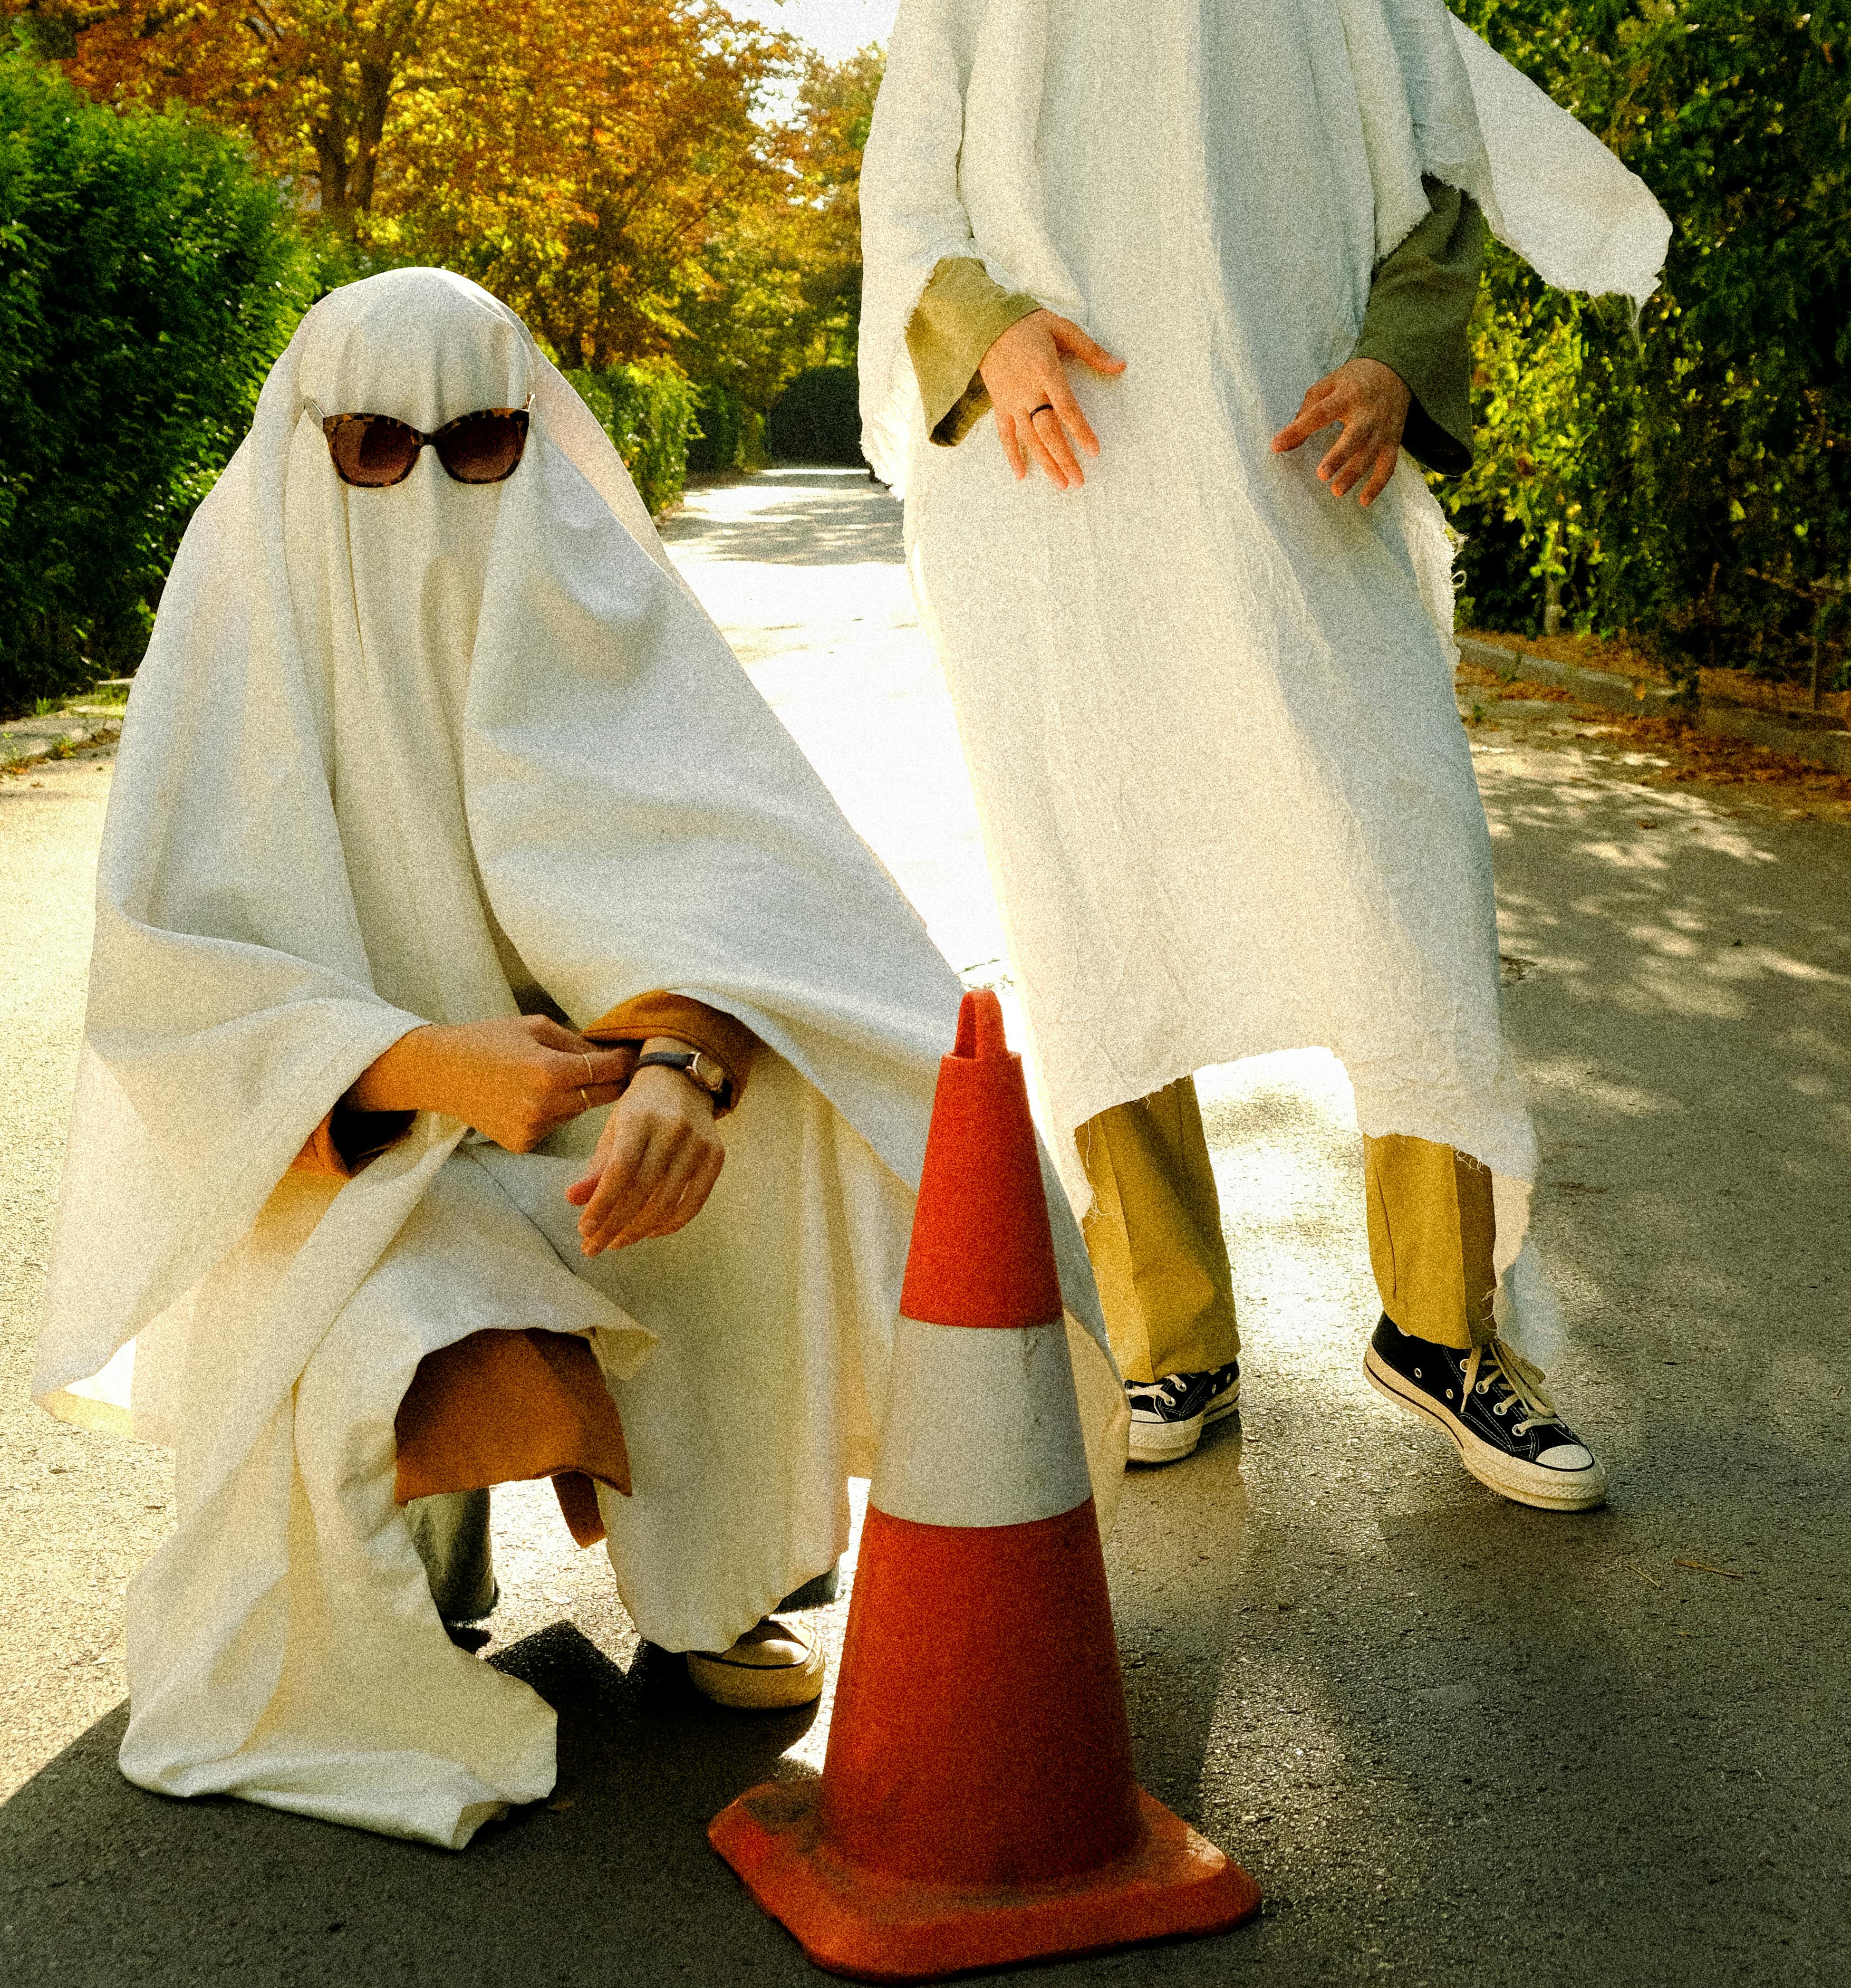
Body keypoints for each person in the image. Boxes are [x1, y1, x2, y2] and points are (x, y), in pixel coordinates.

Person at [34, 266, 1121, 1850]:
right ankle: (424, 1518)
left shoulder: (591, 595)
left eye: (477, 444)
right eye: (375, 452)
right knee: (381, 1393)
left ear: (528, 436)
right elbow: (174, 1007)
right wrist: (422, 1066)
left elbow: (766, 887)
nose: (428, 488)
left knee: (828, 1113)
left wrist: (684, 1059)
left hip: (578, 1128)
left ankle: (716, 1559)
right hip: (348, 1171)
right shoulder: (234, 647)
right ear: (307, 447)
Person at [859, 0, 1668, 1509]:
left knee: (1402, 876)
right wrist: (992, 331)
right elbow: (908, 220)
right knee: (1097, 902)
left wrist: (1400, 367)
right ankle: (1173, 1340)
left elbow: (1442, 173)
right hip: (1063, 530)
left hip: (1303, 513)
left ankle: (1444, 1329)